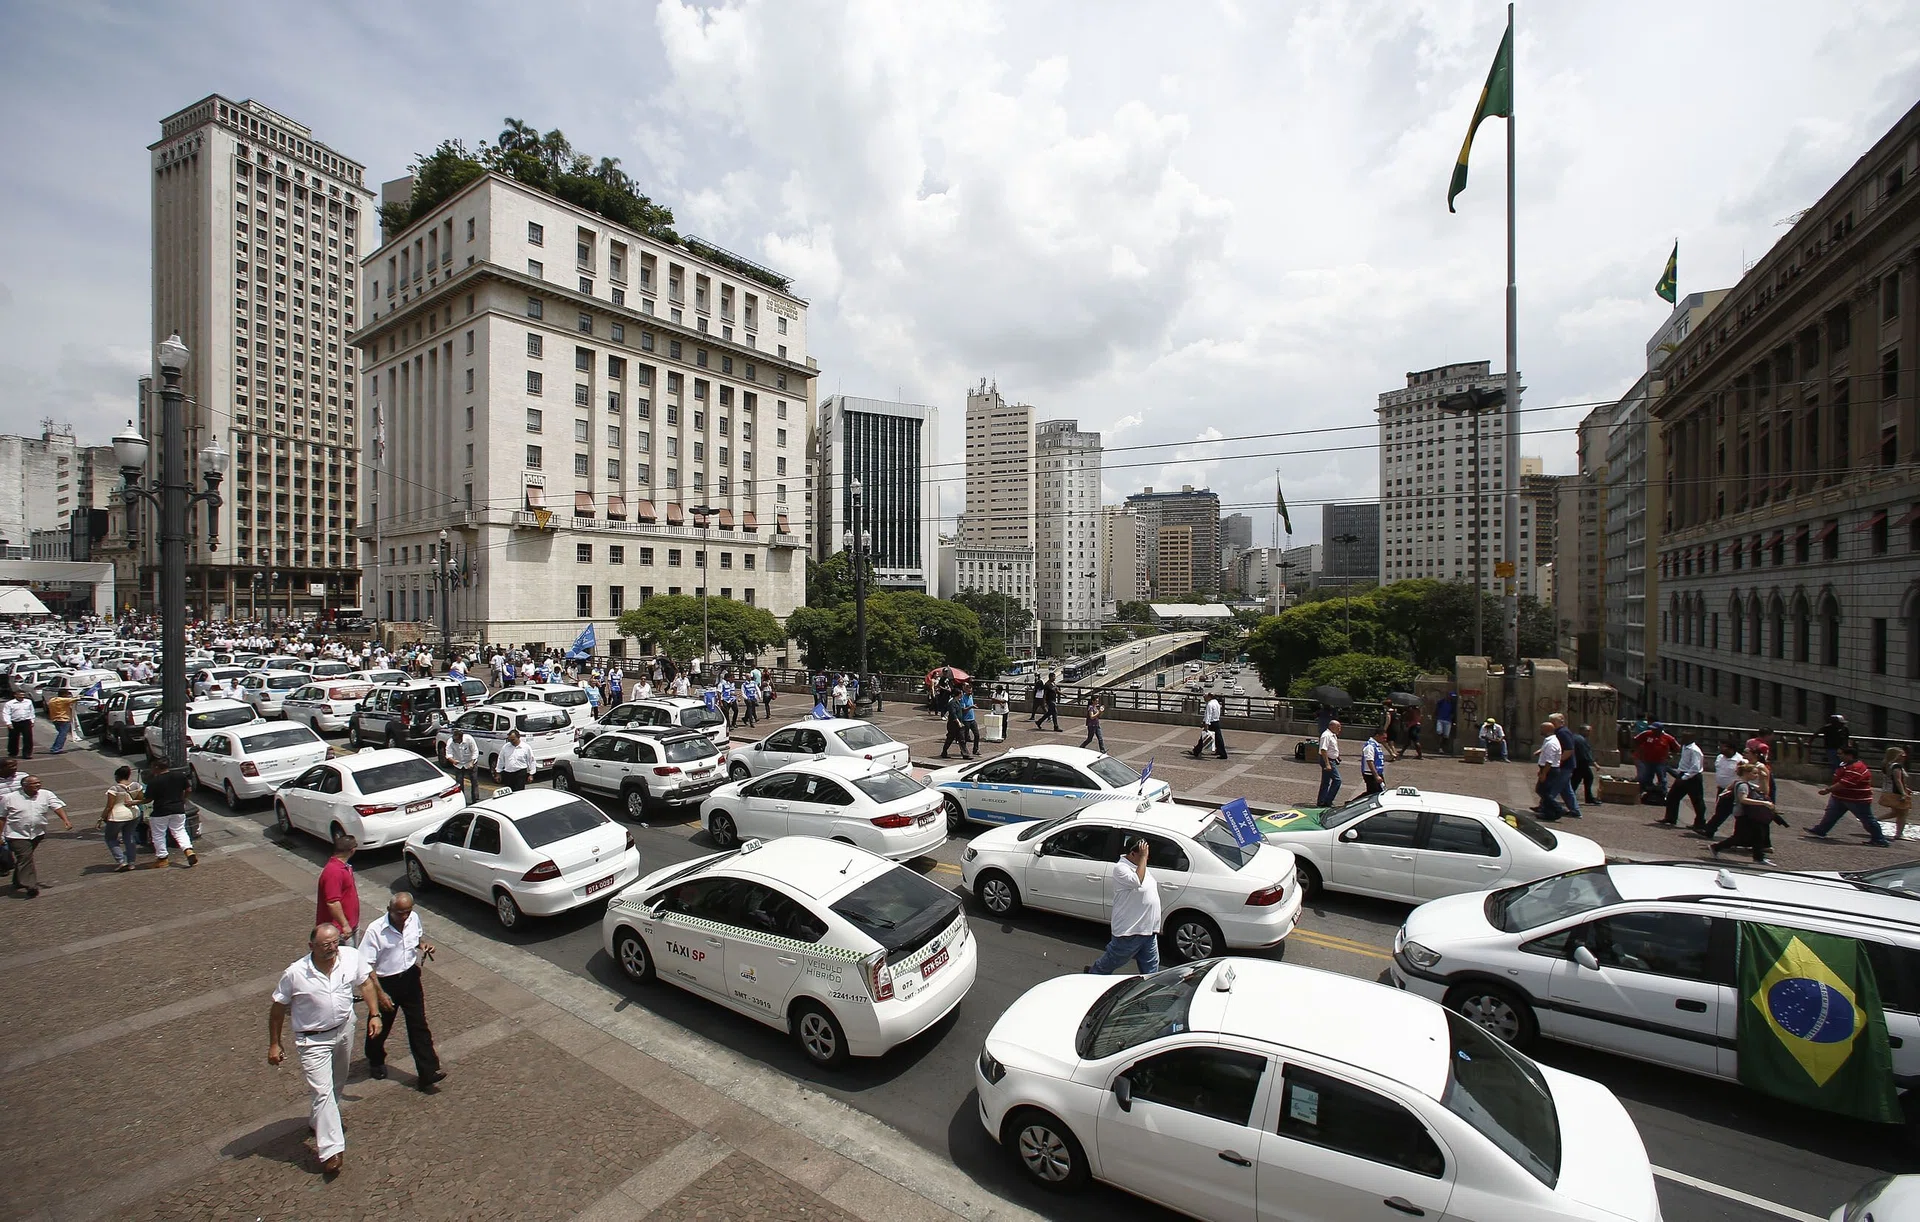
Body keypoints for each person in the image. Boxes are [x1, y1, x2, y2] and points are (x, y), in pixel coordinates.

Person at [267, 923, 382, 1175]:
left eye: (335, 943)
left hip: (344, 1029)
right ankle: (332, 1150)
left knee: (337, 1081)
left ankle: (317, 1121)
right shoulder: (295, 973)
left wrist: (374, 1014)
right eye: (325, 945)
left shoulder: (350, 957)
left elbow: (365, 983)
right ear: (312, 947)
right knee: (323, 1091)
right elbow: (277, 1008)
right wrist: (275, 1043)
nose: (332, 948)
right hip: (313, 1040)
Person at [360, 892, 445, 1089]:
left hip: (410, 978)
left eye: (408, 912)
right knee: (381, 1026)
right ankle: (375, 1058)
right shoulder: (375, 931)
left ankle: (428, 1072)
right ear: (389, 910)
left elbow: (416, 938)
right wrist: (380, 993)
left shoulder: (413, 919)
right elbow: (366, 966)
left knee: (419, 1025)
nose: (405, 917)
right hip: (386, 982)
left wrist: (423, 945)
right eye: (400, 913)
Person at [1087, 835, 1160, 976]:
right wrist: (1143, 858)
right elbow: (1136, 881)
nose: (1147, 857)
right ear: (1133, 853)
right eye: (1143, 854)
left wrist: (1143, 859)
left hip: (1148, 930)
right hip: (1130, 931)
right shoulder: (1121, 868)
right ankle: (1093, 975)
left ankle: (1149, 989)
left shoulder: (1140, 865)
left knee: (1151, 967)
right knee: (1111, 962)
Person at [1808, 745, 1893, 845]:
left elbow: (1845, 783)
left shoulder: (1857, 768)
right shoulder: (1845, 764)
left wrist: (1828, 790)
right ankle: (1820, 830)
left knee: (1867, 819)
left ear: (1849, 755)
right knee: (1831, 814)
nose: (1838, 755)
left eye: (1841, 754)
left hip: (1856, 799)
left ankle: (1879, 839)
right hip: (1840, 797)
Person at [4, 775, 72, 897]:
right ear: (24, 786)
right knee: (25, 856)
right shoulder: (10, 798)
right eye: (34, 784)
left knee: (25, 858)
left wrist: (65, 820)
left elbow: (56, 806)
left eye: (39, 783)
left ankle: (18, 880)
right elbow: (2, 817)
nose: (38, 785)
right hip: (16, 834)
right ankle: (31, 885)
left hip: (37, 833)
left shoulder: (46, 794)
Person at [1712, 763, 1788, 864]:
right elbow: (1743, 800)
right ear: (1746, 773)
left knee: (1757, 835)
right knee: (1741, 837)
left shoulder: (1747, 783)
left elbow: (1764, 791)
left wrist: (1764, 778)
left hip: (1747, 814)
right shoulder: (1742, 785)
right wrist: (1763, 803)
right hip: (1743, 814)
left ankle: (1758, 857)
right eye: (1754, 773)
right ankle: (1716, 847)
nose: (1756, 775)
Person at [143, 756, 196, 868]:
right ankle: (188, 850)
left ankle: (162, 858)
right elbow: (188, 789)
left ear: (156, 767)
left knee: (158, 834)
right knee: (180, 831)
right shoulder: (179, 776)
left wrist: (135, 802)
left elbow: (148, 799)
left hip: (160, 810)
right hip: (178, 808)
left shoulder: (154, 781)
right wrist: (183, 799)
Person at [99, 763, 144, 871]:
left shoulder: (114, 789)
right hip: (133, 814)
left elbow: (110, 806)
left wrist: (101, 818)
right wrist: (132, 802)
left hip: (118, 816)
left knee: (110, 838)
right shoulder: (137, 786)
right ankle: (132, 863)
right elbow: (141, 799)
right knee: (129, 837)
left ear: (117, 776)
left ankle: (121, 860)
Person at [317, 833, 362, 940]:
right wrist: (344, 925)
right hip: (339, 930)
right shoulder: (334, 872)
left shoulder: (343, 867)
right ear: (352, 850)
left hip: (350, 925)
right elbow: (332, 902)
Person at [1661, 733, 1706, 827]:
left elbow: (1696, 767)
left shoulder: (1694, 750)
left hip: (1692, 776)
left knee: (1697, 800)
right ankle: (1670, 818)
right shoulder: (1685, 747)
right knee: (1672, 797)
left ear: (1691, 739)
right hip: (1683, 773)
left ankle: (1700, 822)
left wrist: (1685, 777)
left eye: (1685, 738)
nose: (1682, 739)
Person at [1702, 741, 1746, 837]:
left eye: (1723, 747)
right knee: (1720, 810)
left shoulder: (1740, 761)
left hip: (1732, 791)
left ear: (1731, 749)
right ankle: (1710, 829)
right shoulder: (1720, 757)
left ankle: (1709, 829)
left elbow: (1743, 776)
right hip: (1721, 788)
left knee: (1724, 811)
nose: (1720, 749)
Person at [1633, 722, 1678, 800]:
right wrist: (1638, 751)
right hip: (1647, 761)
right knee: (1647, 777)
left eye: (1654, 729)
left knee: (1662, 778)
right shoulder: (1647, 734)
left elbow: (1676, 747)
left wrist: (1669, 754)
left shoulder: (1668, 738)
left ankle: (1664, 794)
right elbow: (1635, 740)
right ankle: (1646, 792)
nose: (1652, 731)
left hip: (1660, 762)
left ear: (1660, 730)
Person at [1535, 722, 1568, 820]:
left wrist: (1544, 773)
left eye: (1542, 728)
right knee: (1543, 791)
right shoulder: (1548, 741)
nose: (1540, 730)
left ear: (1548, 730)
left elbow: (1549, 761)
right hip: (1547, 769)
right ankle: (1549, 813)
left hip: (1550, 770)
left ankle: (1558, 809)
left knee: (1543, 791)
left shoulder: (1551, 743)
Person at [442, 727, 480, 803]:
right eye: (454, 739)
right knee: (459, 783)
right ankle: (461, 800)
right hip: (458, 764)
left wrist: (472, 762)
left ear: (461, 738)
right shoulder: (450, 742)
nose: (454, 741)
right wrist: (452, 760)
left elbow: (475, 751)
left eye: (456, 740)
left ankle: (475, 799)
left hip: (470, 762)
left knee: (474, 781)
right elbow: (448, 754)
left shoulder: (469, 739)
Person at [1882, 747, 1912, 842]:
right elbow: (1897, 780)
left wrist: (1905, 788)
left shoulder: (1888, 765)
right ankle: (1899, 834)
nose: (1904, 756)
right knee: (1903, 813)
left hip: (1891, 791)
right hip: (1897, 793)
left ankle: (1873, 820)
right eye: (1901, 755)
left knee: (1896, 812)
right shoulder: (1896, 766)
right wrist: (1903, 793)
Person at [938, 686, 974, 761]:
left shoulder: (958, 702)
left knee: (962, 739)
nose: (962, 694)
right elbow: (953, 714)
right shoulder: (952, 703)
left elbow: (961, 711)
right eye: (961, 693)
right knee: (950, 739)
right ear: (958, 694)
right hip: (953, 725)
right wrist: (958, 722)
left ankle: (965, 754)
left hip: (959, 724)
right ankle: (944, 752)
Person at [1190, 694, 1226, 760]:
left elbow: (1208, 715)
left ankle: (1196, 751)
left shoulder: (1209, 704)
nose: (1204, 698)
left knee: (1203, 738)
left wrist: (1206, 724)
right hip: (1216, 722)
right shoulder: (1216, 703)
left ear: (1209, 697)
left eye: (1205, 697)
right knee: (1218, 738)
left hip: (1211, 723)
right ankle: (1222, 753)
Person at [1316, 719, 1343, 807]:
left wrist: (1337, 756)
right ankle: (1328, 800)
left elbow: (1332, 748)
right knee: (1337, 780)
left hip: (1332, 759)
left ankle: (1321, 801)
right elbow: (1323, 749)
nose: (1340, 729)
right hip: (1328, 760)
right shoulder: (1326, 735)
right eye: (1338, 727)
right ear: (1332, 726)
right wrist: (1327, 764)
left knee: (1326, 781)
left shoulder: (1333, 735)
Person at [1571, 725, 1599, 804]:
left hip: (1578, 762)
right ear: (1583, 731)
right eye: (1588, 731)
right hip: (1582, 763)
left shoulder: (1576, 738)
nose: (1589, 733)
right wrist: (1594, 764)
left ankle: (1588, 797)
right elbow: (1586, 753)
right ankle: (1572, 797)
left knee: (1584, 778)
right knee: (1577, 780)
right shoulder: (1580, 740)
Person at [45, 687, 78, 754]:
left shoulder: (52, 700)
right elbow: (76, 699)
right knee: (62, 735)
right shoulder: (64, 700)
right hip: (64, 719)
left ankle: (55, 747)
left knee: (61, 734)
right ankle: (56, 748)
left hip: (55, 719)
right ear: (64, 694)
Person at [5, 688, 35, 758]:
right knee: (13, 738)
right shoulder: (9, 703)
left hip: (26, 721)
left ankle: (27, 754)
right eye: (20, 696)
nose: (22, 697)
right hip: (14, 722)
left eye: (23, 696)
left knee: (28, 738)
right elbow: (6, 713)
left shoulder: (28, 702)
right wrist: (8, 723)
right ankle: (13, 752)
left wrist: (32, 721)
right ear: (15, 695)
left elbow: (31, 711)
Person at [1360, 725, 1388, 796]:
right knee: (1373, 794)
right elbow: (1369, 761)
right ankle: (1351, 804)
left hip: (1378, 773)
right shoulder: (1370, 746)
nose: (1384, 740)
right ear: (1377, 735)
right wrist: (1376, 776)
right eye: (1383, 738)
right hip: (1371, 774)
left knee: (1378, 792)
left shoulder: (1376, 745)